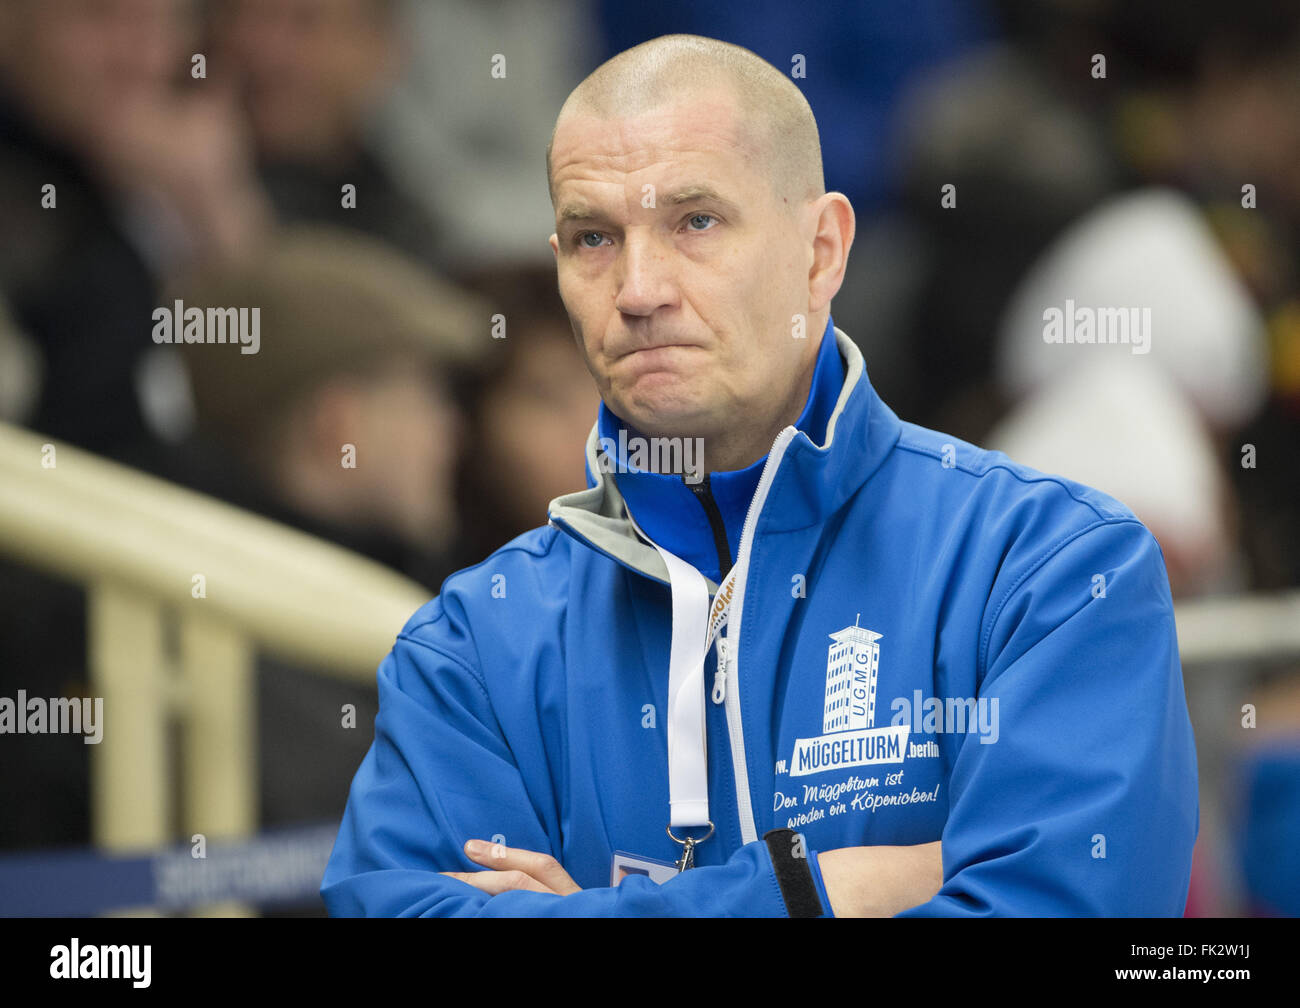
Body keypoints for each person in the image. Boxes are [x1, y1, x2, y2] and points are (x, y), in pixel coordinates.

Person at [321, 33, 1198, 917]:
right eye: (592, 237)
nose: (637, 289)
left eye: (695, 223)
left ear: (822, 252)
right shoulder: (470, 646)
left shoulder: (1054, 569)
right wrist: (809, 894)